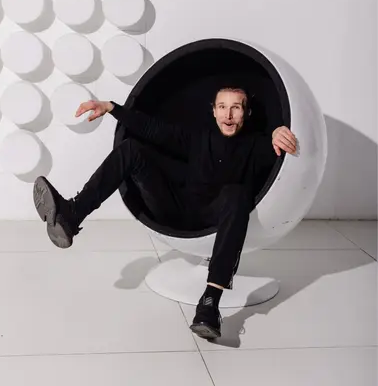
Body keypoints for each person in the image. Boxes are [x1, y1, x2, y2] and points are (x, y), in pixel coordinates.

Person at [33, 86, 297, 340]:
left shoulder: (257, 145)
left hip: (219, 218)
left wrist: (278, 131)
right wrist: (112, 108)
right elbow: (152, 129)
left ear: (246, 113)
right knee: (131, 149)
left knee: (237, 194)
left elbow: (286, 159)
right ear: (214, 111)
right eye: (222, 107)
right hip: (176, 210)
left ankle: (209, 304)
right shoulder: (198, 137)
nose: (228, 115)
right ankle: (72, 214)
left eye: (236, 108)